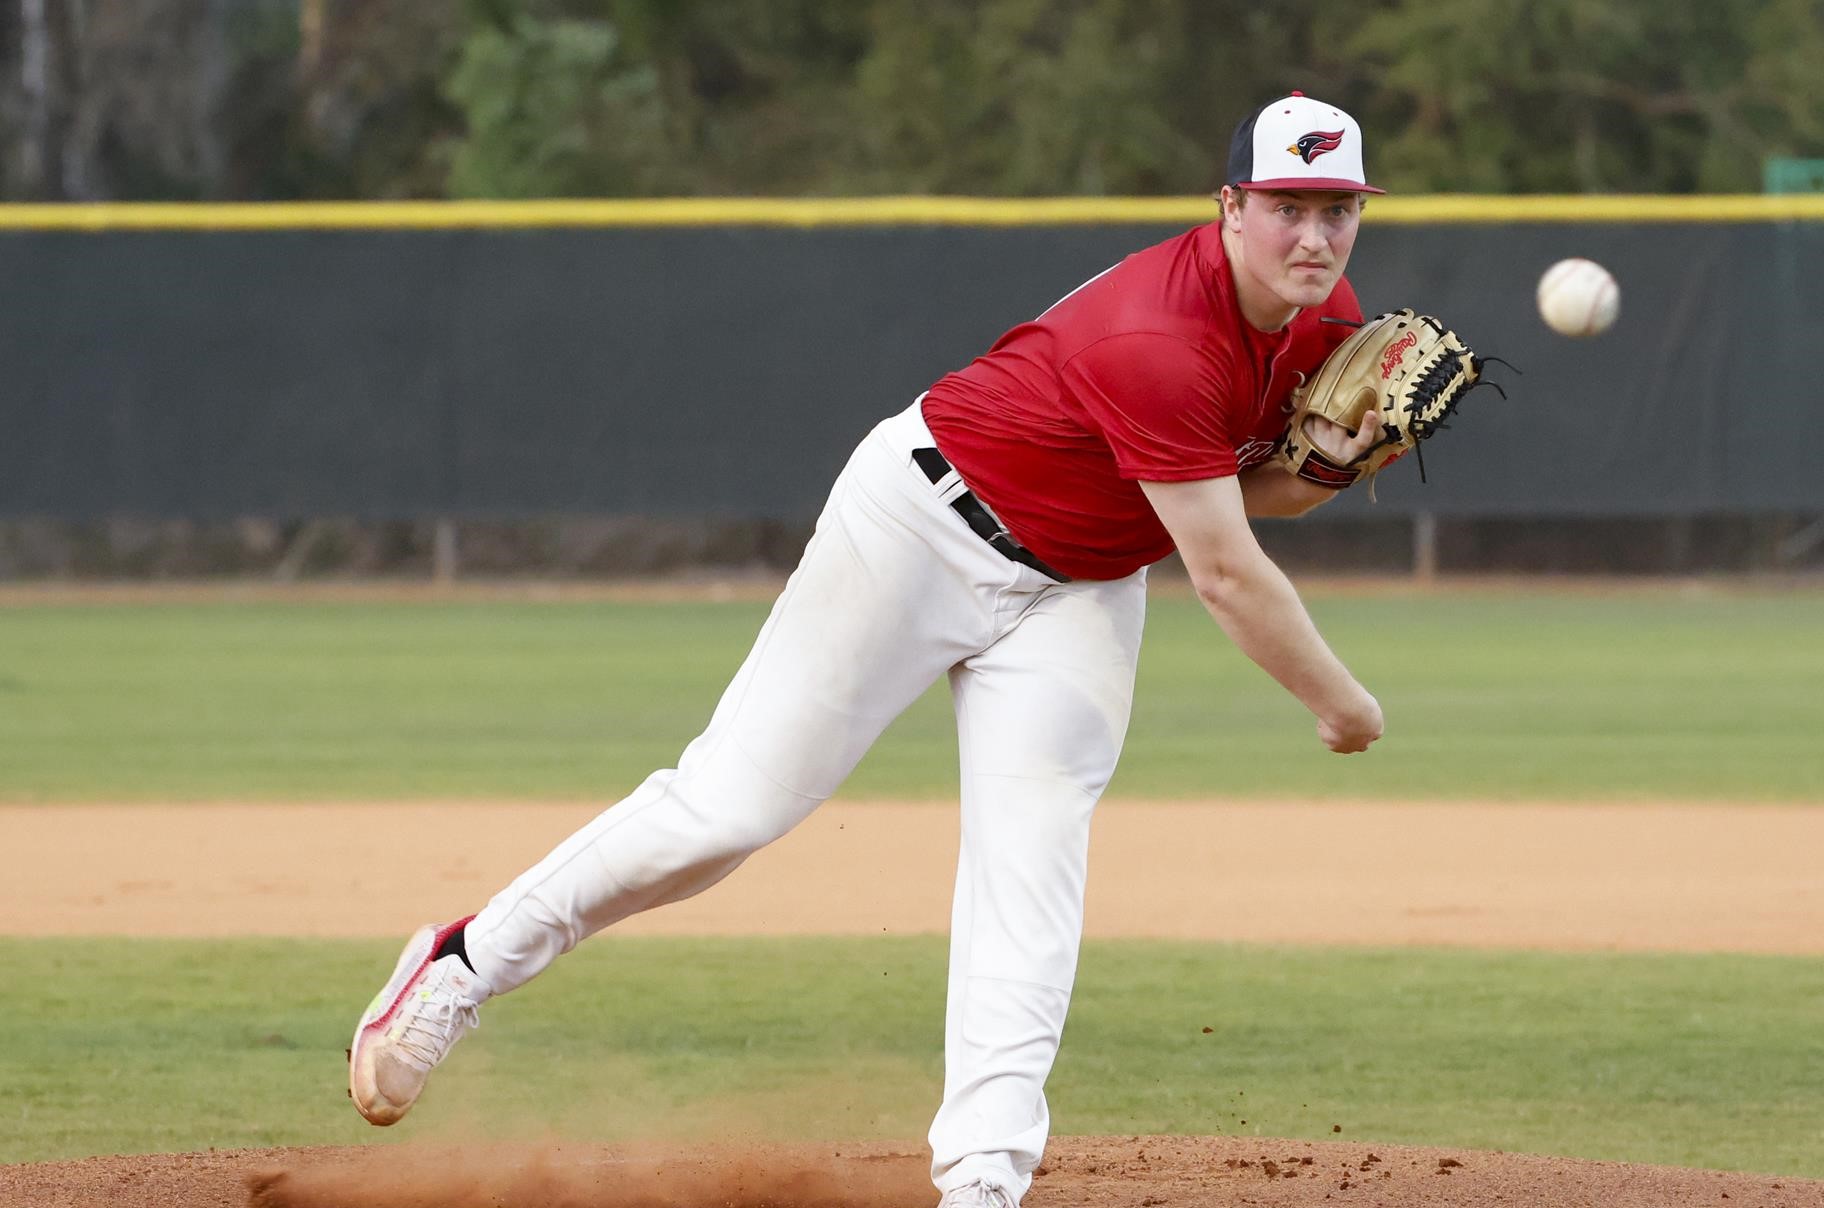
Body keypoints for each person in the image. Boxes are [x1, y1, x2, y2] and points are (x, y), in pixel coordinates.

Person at [347, 92, 1388, 1208]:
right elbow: (1224, 569)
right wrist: (1341, 705)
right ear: (1230, 206)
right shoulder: (1159, 337)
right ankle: (463, 959)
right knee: (724, 814)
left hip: (1075, 586)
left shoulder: (1328, 323)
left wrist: (1325, 467)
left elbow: (1246, 496)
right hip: (921, 526)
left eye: (1338, 208)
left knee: (1030, 867)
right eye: (1288, 205)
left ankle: (983, 1181)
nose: (1315, 236)